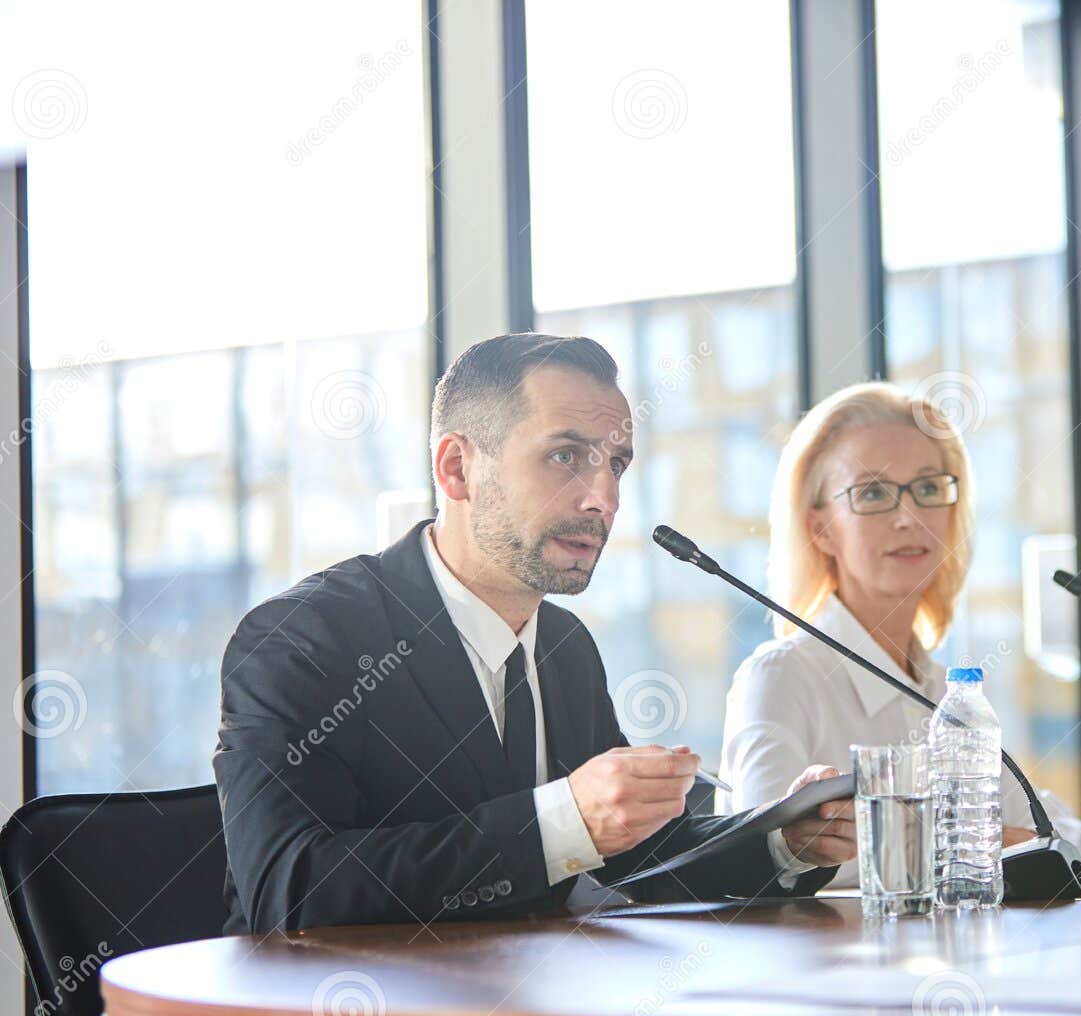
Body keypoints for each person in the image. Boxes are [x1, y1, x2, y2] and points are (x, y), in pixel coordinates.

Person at [214, 334, 855, 933]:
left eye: (617, 465)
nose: (603, 497)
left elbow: (637, 858)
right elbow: (287, 892)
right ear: (458, 468)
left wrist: (780, 841)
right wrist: (563, 824)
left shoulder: (563, 647)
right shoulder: (303, 638)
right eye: (565, 457)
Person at [720, 382, 1081, 887]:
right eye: (873, 492)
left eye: (927, 488)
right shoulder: (781, 677)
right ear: (820, 528)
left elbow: (1069, 836)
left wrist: (943, 838)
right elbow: (758, 860)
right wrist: (963, 839)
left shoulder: (952, 695)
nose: (908, 517)